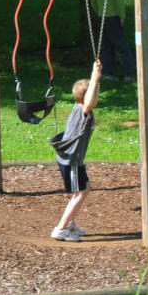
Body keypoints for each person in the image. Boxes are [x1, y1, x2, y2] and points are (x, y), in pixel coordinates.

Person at [49, 59, 103, 242]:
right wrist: (95, 77)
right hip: (71, 161)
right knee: (80, 192)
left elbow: (88, 100)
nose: (97, 95)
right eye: (95, 93)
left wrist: (93, 81)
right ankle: (61, 228)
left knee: (83, 188)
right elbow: (90, 102)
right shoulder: (84, 111)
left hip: (72, 159)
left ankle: (70, 223)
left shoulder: (78, 107)